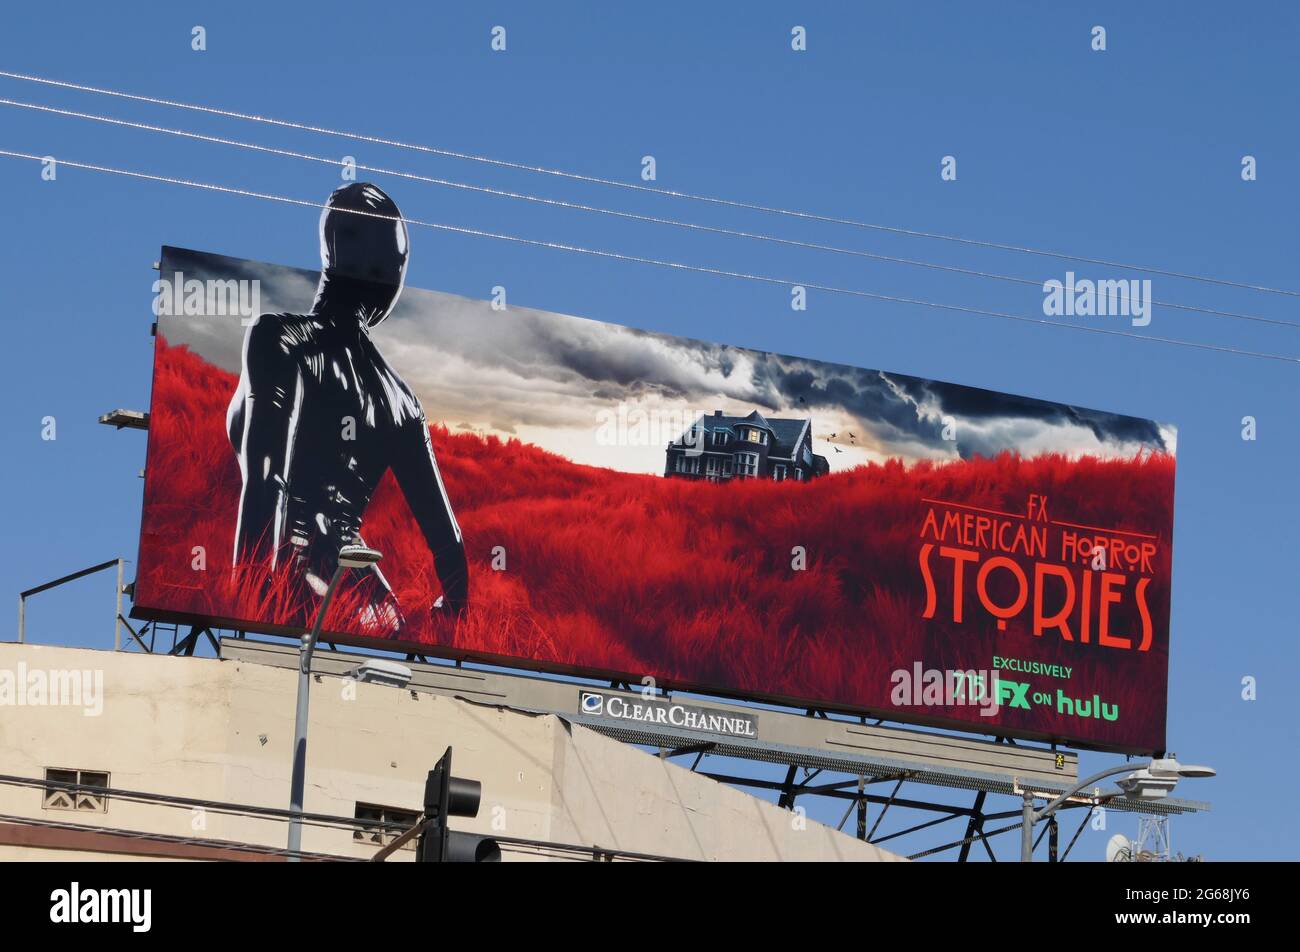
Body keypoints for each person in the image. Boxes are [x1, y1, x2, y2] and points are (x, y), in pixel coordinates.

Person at [226, 182, 468, 634]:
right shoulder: (401, 400)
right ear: (393, 275)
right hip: (375, 606)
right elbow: (448, 539)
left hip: (294, 586)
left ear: (330, 246)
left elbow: (266, 483)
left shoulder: (279, 338)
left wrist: (246, 610)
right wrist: (451, 611)